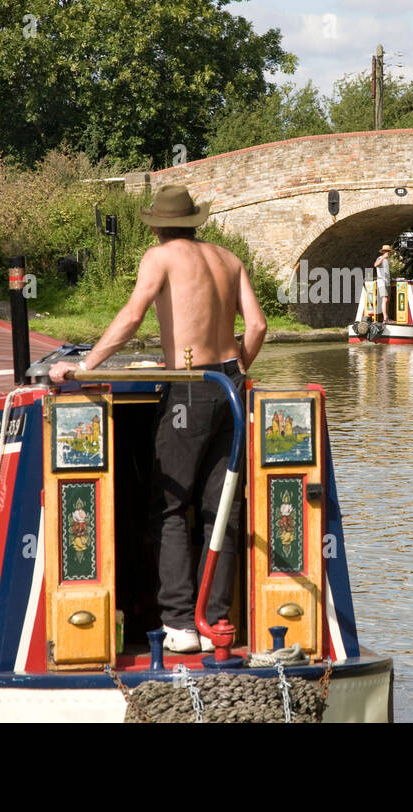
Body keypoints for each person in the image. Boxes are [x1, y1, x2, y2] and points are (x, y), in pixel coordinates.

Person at [49, 184, 267, 653]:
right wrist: (238, 372)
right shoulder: (229, 259)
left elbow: (131, 316)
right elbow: (257, 326)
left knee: (169, 504)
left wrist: (85, 368)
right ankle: (217, 619)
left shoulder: (160, 257)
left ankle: (180, 624)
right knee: (220, 509)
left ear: (154, 225)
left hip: (189, 386)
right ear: (194, 221)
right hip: (231, 386)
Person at [373, 244, 393, 322]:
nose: (388, 253)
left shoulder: (386, 260)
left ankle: (386, 317)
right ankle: (385, 318)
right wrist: (383, 257)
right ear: (383, 252)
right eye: (387, 251)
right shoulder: (380, 258)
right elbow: (375, 265)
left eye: (389, 252)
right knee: (384, 299)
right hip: (382, 282)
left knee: (387, 300)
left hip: (387, 282)